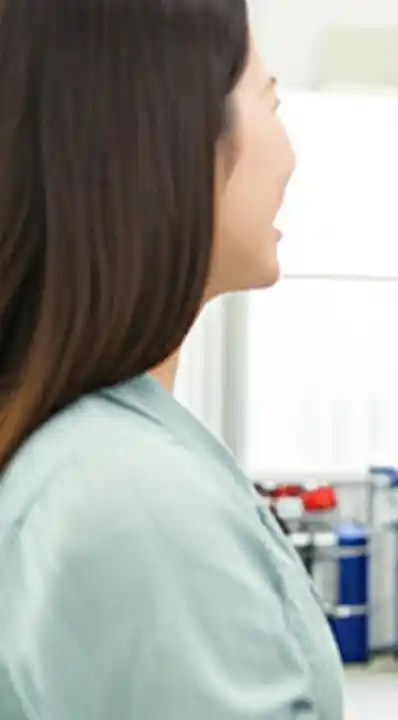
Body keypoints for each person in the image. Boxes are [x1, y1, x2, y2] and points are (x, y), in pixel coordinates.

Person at [0, 1, 343, 718]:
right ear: (168, 136)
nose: (293, 152)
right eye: (269, 102)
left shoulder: (76, 455)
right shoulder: (125, 497)